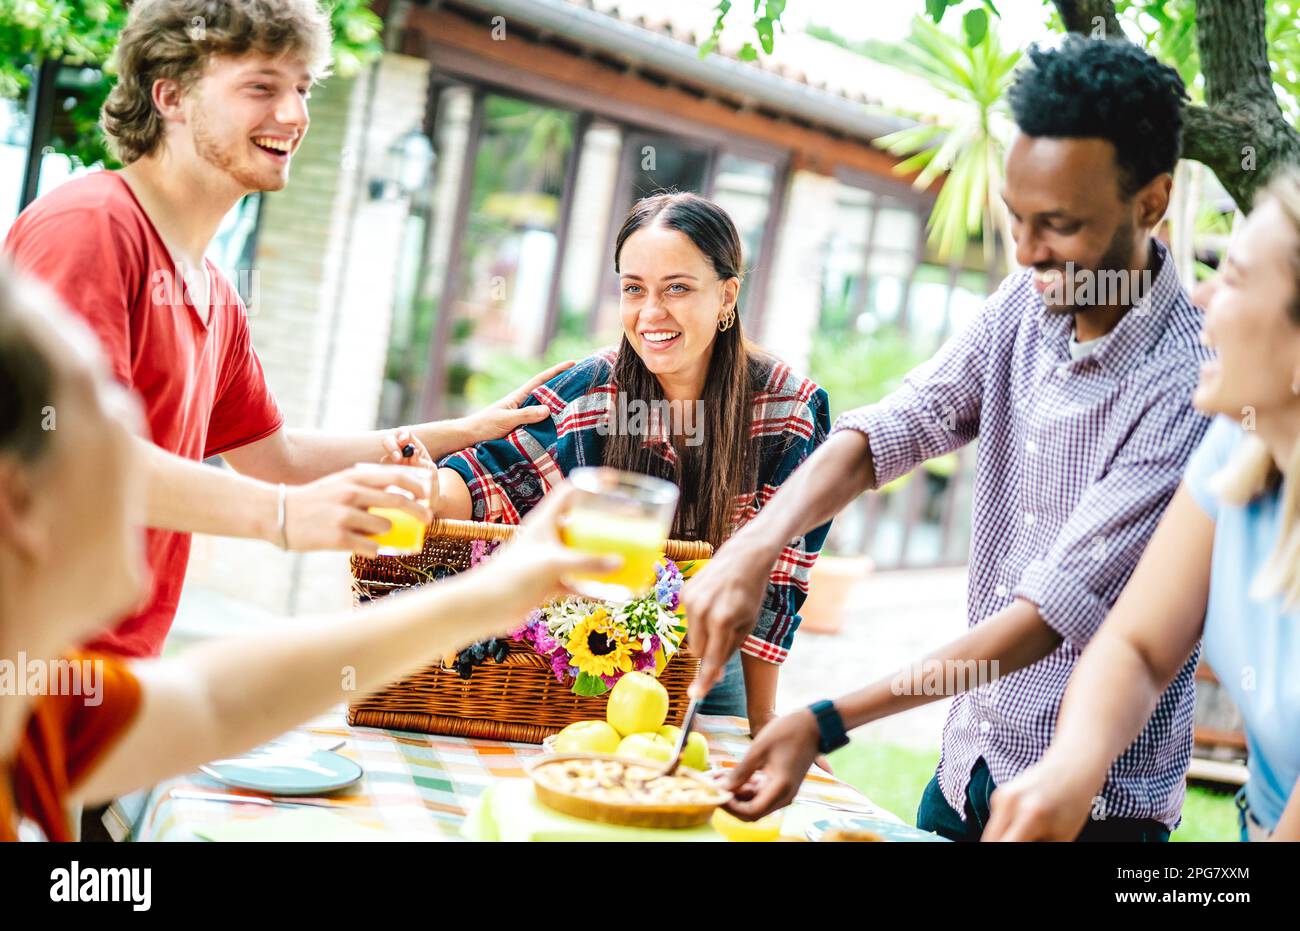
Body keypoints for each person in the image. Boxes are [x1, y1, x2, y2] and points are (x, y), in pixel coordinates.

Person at [687, 37, 1211, 840]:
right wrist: (755, 544)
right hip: (969, 762)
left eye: (1059, 226)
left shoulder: (1186, 389)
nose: (1028, 252)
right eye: (1016, 219)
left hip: (1091, 814)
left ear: (1150, 202)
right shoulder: (1024, 303)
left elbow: (1048, 616)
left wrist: (828, 718)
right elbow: (893, 427)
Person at [3, 0, 566, 662]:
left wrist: (459, 431)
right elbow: (77, 457)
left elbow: (279, 457)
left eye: (301, 88)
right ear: (170, 95)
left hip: (112, 673)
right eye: (261, 87)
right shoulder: (94, 227)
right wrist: (281, 518)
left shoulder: (212, 291)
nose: (295, 115)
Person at [0, 265, 612, 842]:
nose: (157, 441)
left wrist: (500, 591)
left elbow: (215, 703)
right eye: (105, 403)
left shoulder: (35, 710)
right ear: (18, 501)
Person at [430, 192, 831, 732]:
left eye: (678, 289)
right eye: (633, 289)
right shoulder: (591, 390)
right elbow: (485, 481)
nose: (651, 314)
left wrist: (762, 725)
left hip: (705, 661)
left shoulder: (788, 409)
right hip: (574, 659)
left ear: (726, 295)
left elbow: (777, 585)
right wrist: (414, 489)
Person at [984, 170, 1300, 843]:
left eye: (1236, 278)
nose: (1202, 294)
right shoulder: (1237, 447)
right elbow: (1139, 646)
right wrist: (1070, 767)